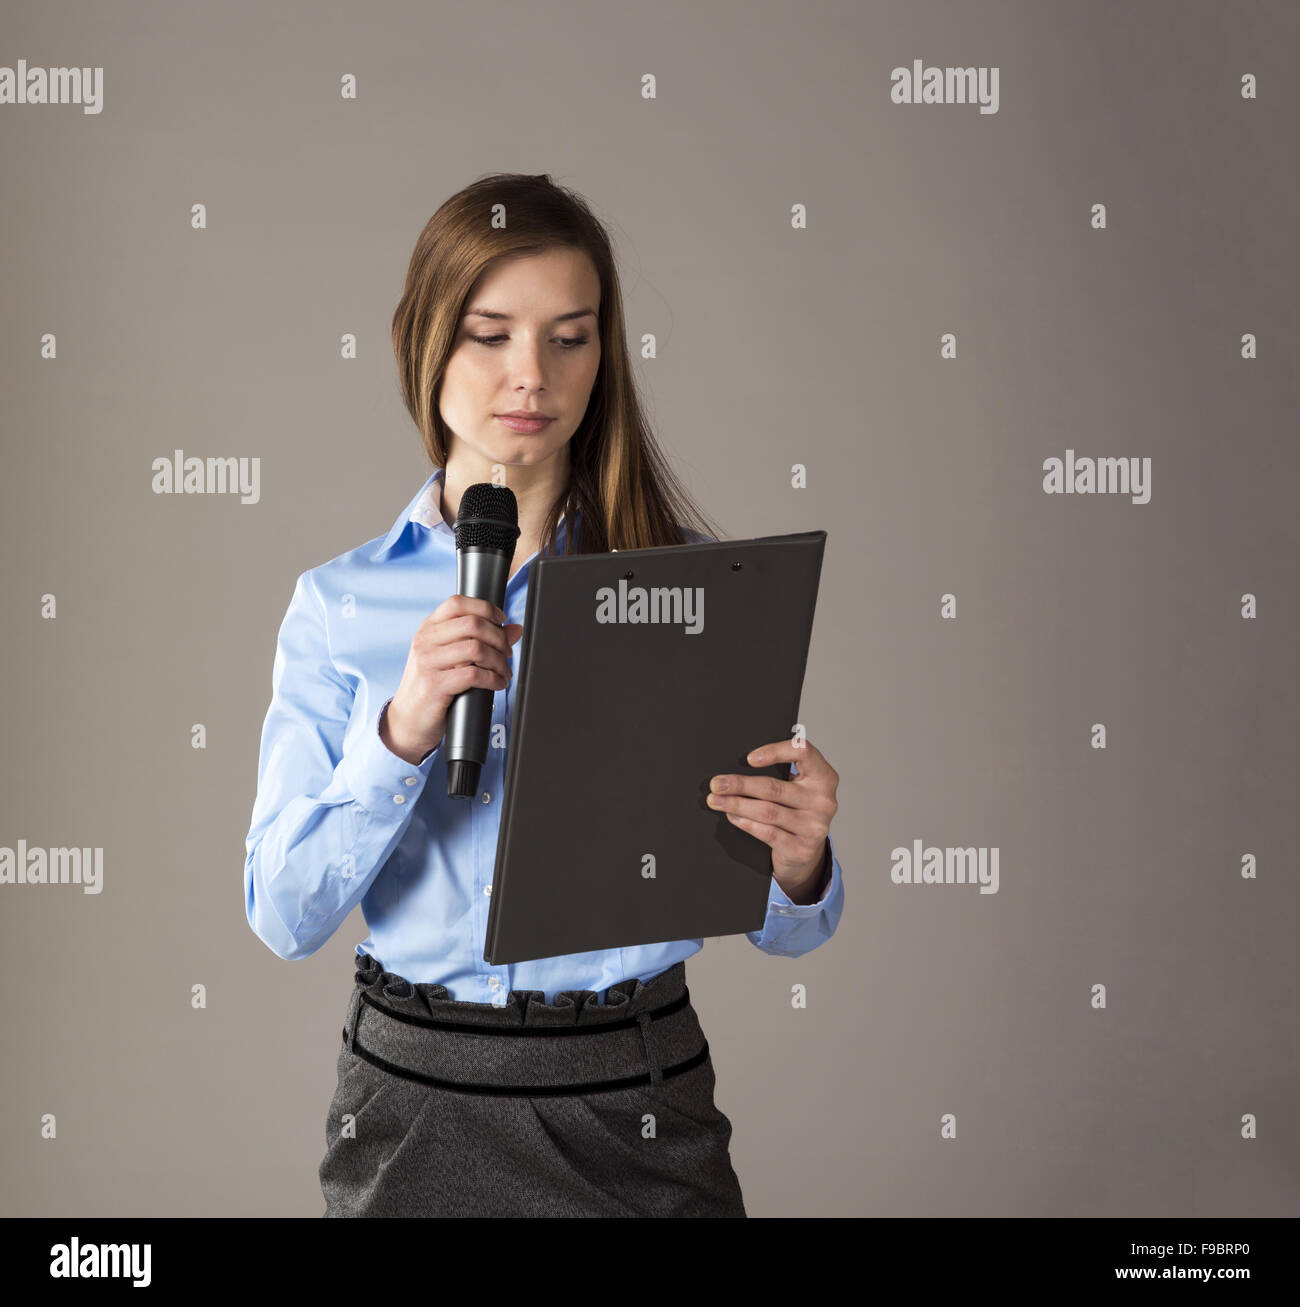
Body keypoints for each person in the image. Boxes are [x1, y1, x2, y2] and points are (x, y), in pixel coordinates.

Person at [243, 173, 847, 1218]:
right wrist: (401, 733)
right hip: (410, 1099)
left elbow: (792, 930)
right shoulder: (341, 601)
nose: (531, 374)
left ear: (603, 354)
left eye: (569, 337)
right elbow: (284, 913)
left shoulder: (694, 585)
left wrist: (798, 860)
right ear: (422, 342)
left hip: (632, 1099)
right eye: (489, 334)